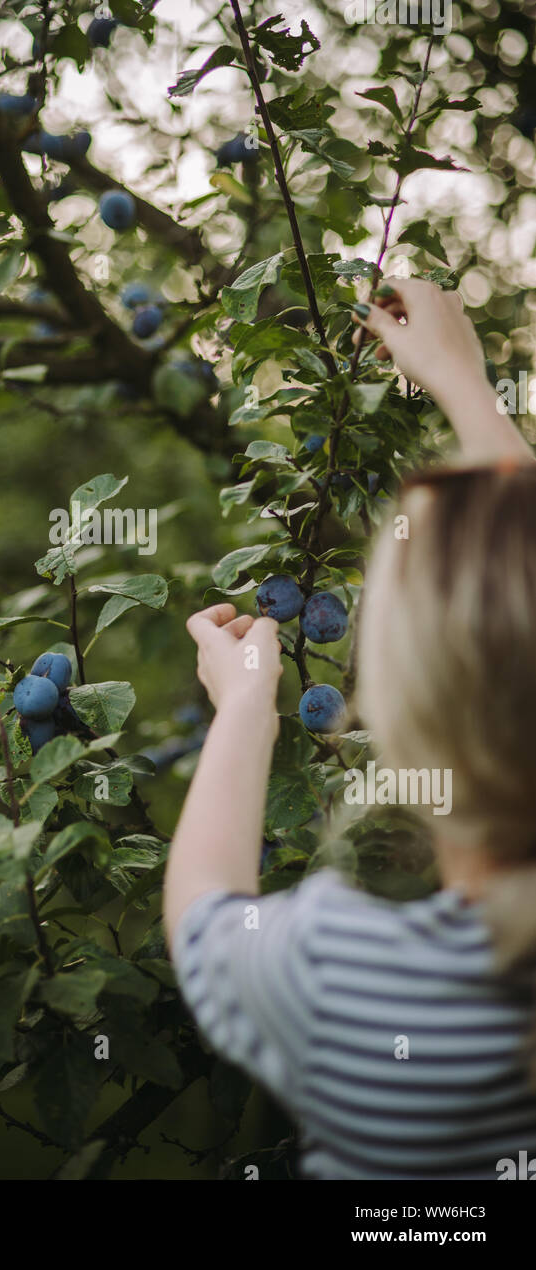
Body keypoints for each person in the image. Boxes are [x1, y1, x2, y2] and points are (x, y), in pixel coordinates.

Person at [164, 278, 536, 1179]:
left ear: (399, 720)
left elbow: (201, 912)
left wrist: (246, 706)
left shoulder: (350, 974)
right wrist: (466, 390)